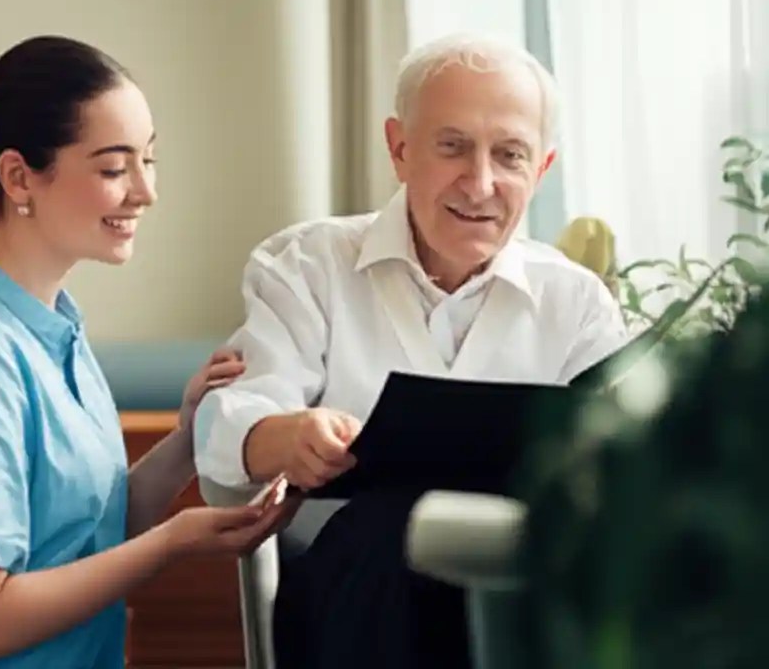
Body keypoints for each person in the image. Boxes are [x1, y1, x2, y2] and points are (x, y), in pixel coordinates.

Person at [0, 35, 300, 669]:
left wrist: (187, 443)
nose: (146, 191)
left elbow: (77, 540)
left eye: (149, 160)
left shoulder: (49, 323)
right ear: (17, 177)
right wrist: (171, 543)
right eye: (114, 168)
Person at [193, 34, 630, 668]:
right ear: (400, 149)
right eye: (452, 147)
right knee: (393, 526)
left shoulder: (578, 302)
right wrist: (283, 436)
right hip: (355, 595)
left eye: (509, 156)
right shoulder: (308, 265)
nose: (480, 183)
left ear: (540, 169)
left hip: (520, 587)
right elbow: (234, 418)